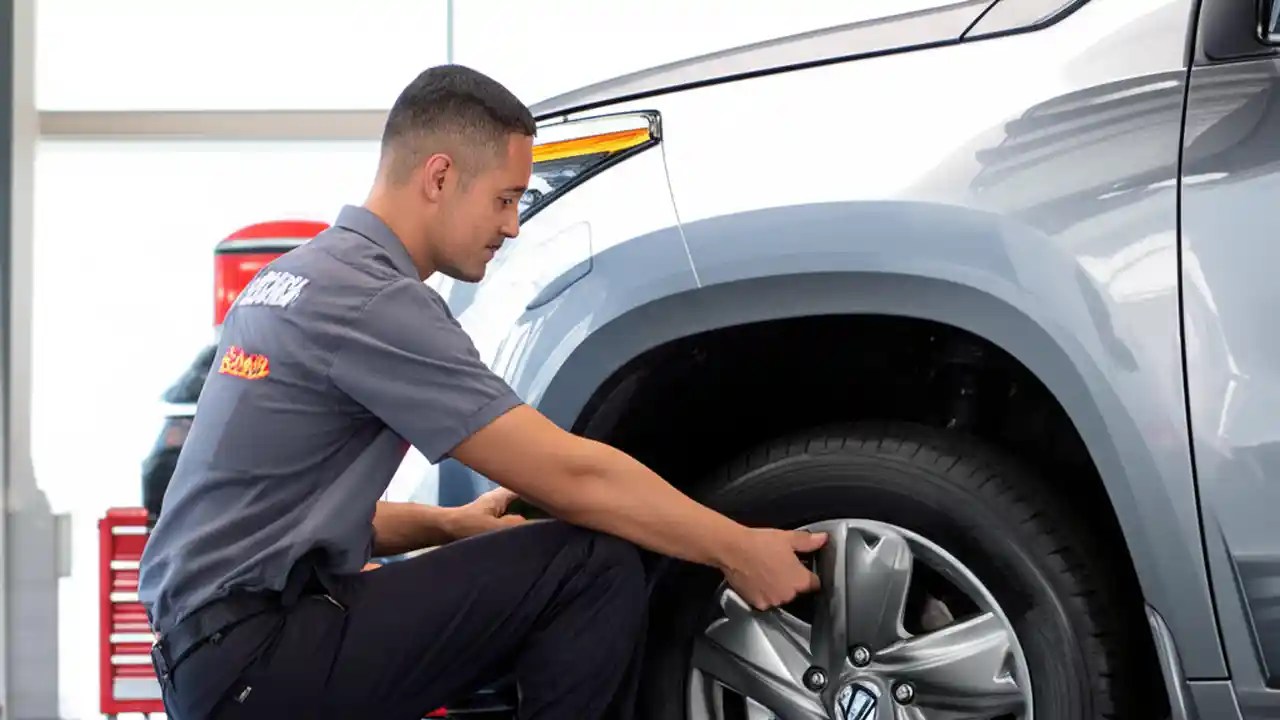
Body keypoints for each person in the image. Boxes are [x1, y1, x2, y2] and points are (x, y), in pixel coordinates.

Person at [138, 63, 828, 720]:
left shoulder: (293, 280)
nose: (512, 225)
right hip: (261, 662)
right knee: (589, 564)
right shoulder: (374, 302)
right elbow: (572, 476)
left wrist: (450, 527)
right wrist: (735, 547)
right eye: (505, 198)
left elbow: (287, 512)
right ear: (439, 177)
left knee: (527, 588)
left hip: (213, 659)